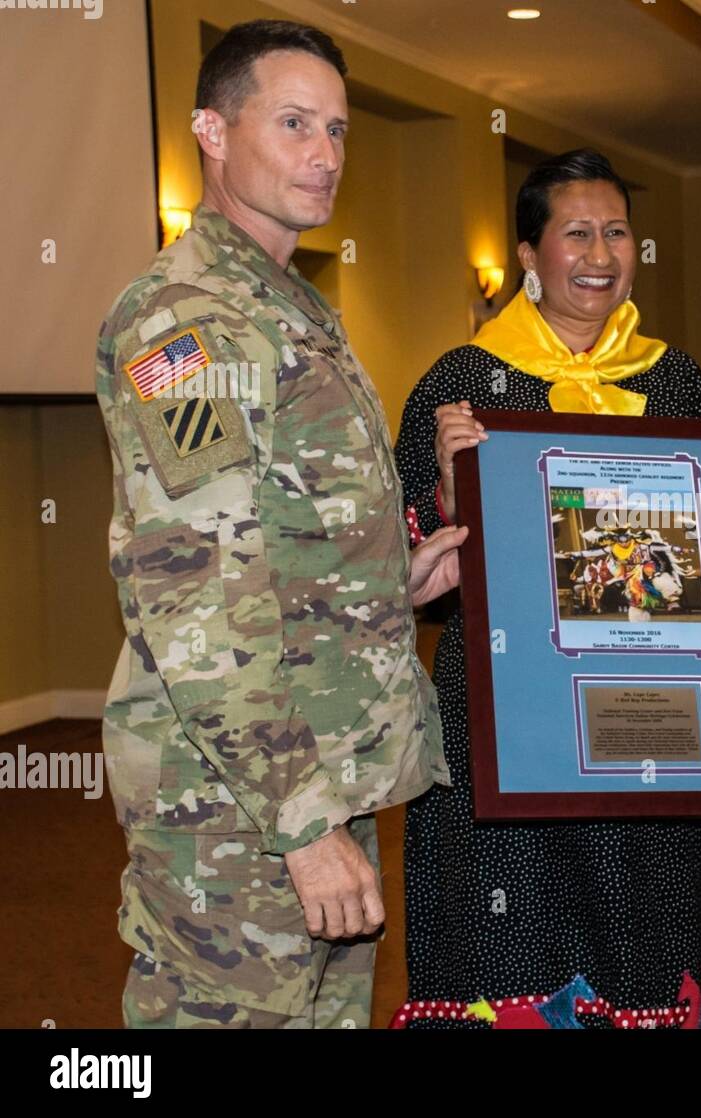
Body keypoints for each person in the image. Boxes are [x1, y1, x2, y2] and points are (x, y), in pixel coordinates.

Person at [95, 19, 465, 1028]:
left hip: (317, 758)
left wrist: (398, 576)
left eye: (338, 130)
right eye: (295, 123)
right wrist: (300, 824)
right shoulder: (183, 321)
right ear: (211, 129)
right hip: (237, 802)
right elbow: (196, 591)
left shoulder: (291, 304)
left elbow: (283, 533)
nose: (326, 155)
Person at [396, 149, 701, 1027]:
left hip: (656, 705)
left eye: (617, 231)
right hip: (511, 712)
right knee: (518, 923)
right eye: (575, 232)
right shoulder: (461, 383)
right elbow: (413, 579)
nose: (600, 252)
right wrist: (443, 488)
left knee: (657, 921)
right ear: (527, 255)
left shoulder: (675, 380)